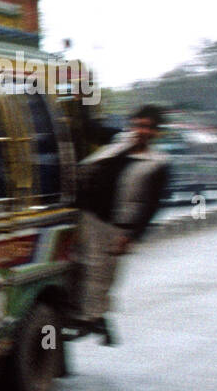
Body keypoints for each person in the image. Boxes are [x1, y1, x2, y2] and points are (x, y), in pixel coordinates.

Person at [73, 104, 170, 344]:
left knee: (105, 275)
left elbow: (152, 205)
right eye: (137, 125)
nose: (140, 131)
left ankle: (96, 318)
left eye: (147, 127)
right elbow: (90, 128)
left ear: (156, 132)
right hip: (91, 215)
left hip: (119, 225)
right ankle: (90, 317)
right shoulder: (116, 140)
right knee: (85, 266)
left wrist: (132, 235)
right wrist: (80, 100)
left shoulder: (158, 163)